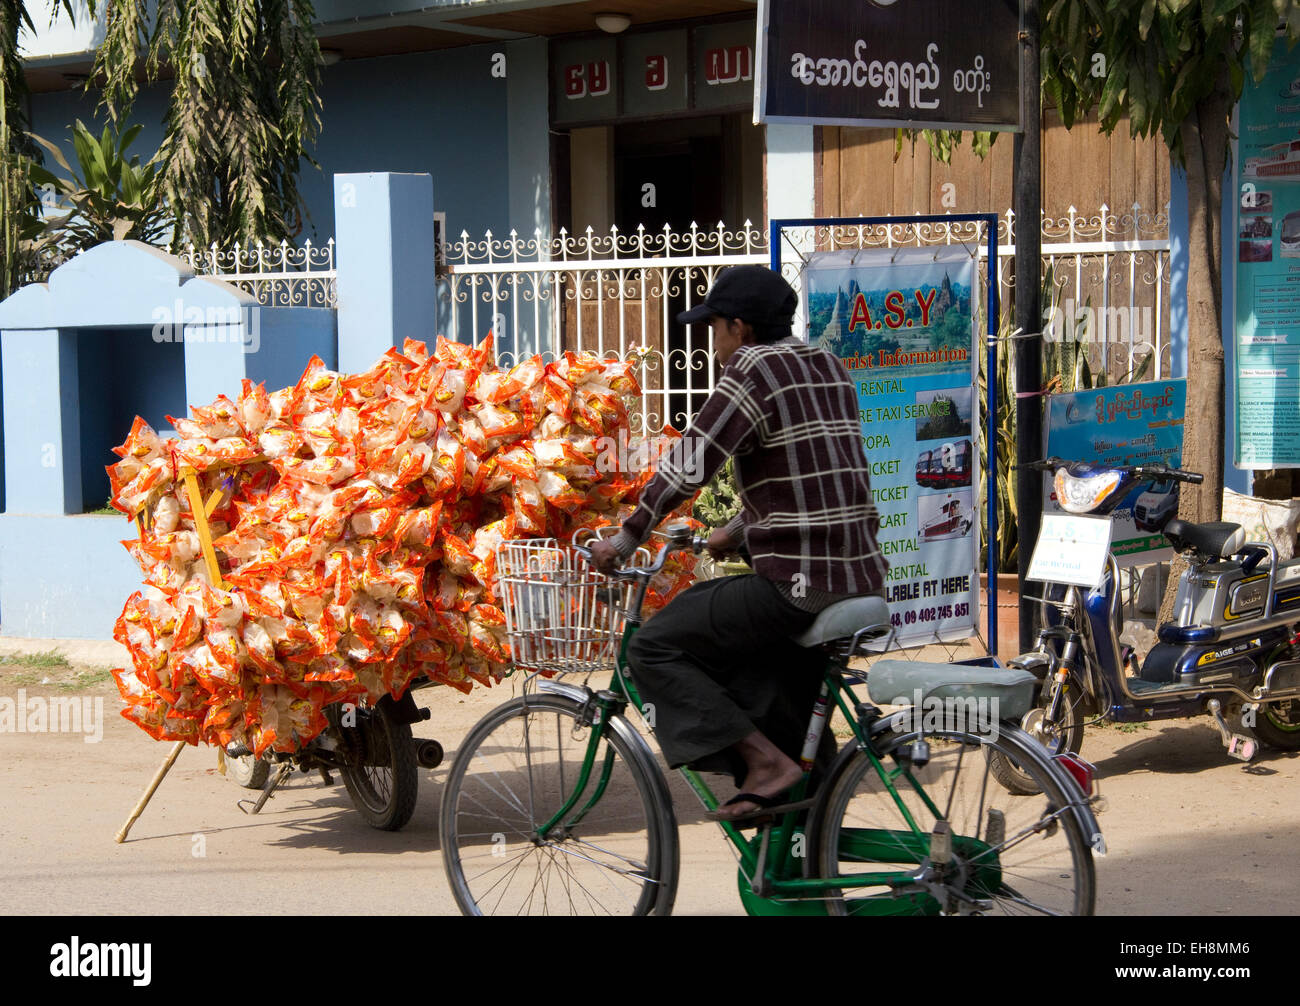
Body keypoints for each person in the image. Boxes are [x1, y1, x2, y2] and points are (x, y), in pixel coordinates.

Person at [589, 265, 887, 823]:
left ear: (740, 327)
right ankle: (800, 834)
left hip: (798, 586)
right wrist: (739, 531)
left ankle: (763, 763)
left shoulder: (750, 369)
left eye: (715, 328)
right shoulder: (827, 364)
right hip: (860, 574)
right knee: (770, 676)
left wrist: (627, 538)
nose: (713, 342)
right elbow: (816, 477)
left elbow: (690, 463)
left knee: (653, 647)